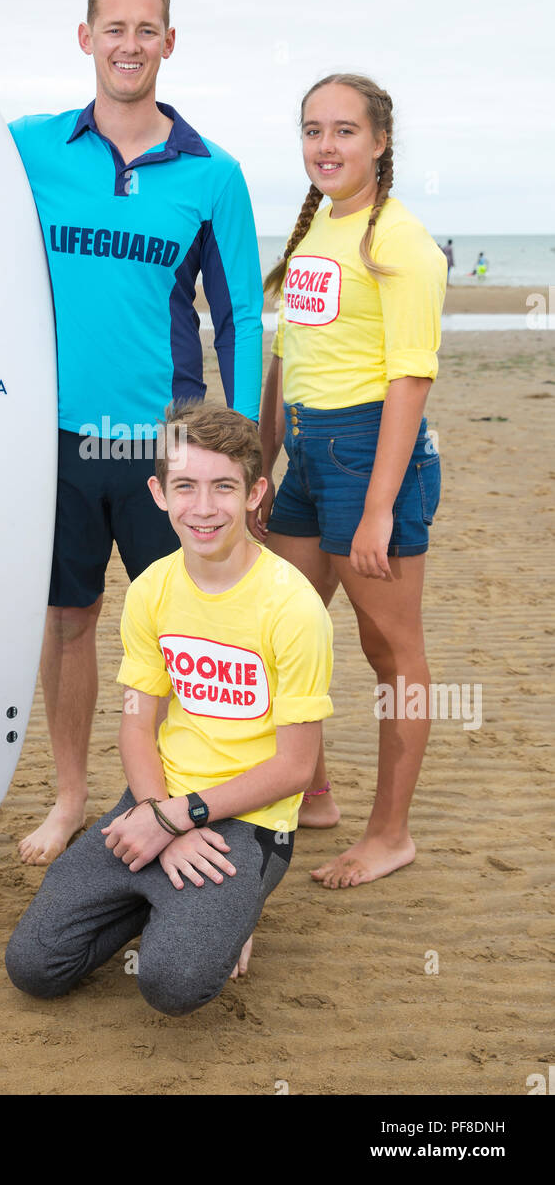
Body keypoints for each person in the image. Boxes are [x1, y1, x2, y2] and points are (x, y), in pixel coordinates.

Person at [0, 0, 263, 866]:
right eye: (114, 28)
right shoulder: (32, 147)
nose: (129, 45)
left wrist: (243, 454)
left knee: (185, 630)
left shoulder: (213, 174)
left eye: (147, 29)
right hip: (48, 440)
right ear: (85, 38)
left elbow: (243, 314)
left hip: (163, 448)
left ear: (170, 43)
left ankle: (175, 802)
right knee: (69, 620)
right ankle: (67, 797)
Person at [5, 403, 333, 1013]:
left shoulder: (293, 608)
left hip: (251, 820)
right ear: (158, 492)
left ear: (256, 493)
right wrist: (159, 813)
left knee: (172, 983)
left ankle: (222, 911)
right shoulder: (152, 587)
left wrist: (183, 817)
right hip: (156, 798)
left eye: (223, 488)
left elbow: (295, 768)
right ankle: (172, 902)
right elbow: (137, 724)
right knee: (34, 966)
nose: (203, 508)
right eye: (185, 486)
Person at [251, 73, 446, 890]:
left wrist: (375, 510)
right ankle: (314, 792)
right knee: (286, 629)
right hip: (305, 451)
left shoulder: (398, 239)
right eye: (312, 131)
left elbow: (411, 379)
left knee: (390, 650)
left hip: (375, 455)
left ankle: (390, 833)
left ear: (380, 141)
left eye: (343, 132)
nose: (325, 147)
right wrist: (261, 466)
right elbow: (284, 357)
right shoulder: (315, 231)